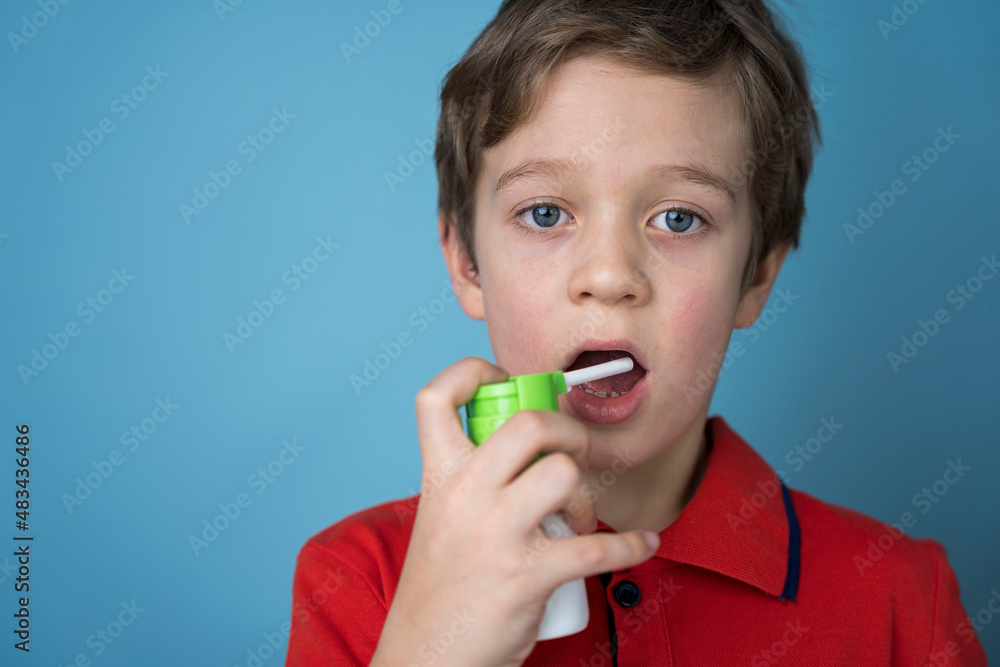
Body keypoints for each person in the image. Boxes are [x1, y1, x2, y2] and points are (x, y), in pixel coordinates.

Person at [285, 0, 988, 664]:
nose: (610, 274)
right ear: (467, 262)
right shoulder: (361, 576)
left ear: (756, 276)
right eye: (545, 213)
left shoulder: (900, 595)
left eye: (679, 218)